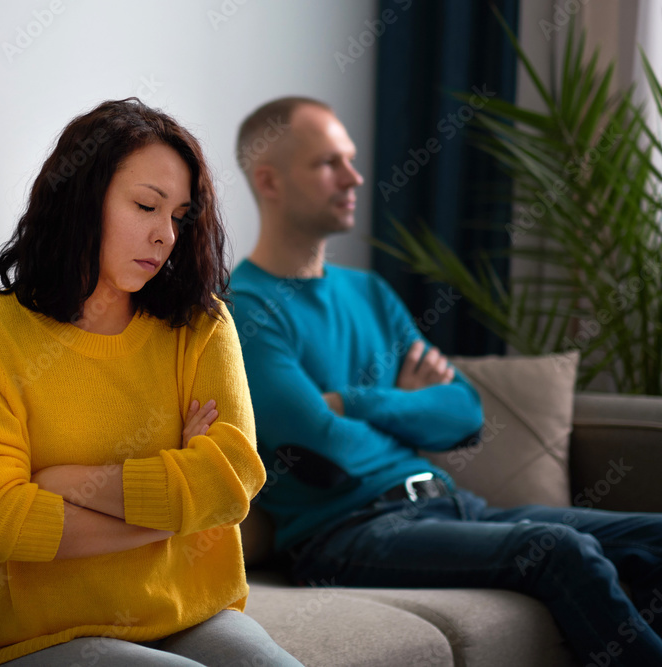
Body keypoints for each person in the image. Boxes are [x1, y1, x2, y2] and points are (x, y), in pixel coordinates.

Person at [227, 96, 662, 666]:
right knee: (558, 550)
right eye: (329, 163)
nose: (355, 177)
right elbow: (319, 446)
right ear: (270, 180)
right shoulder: (247, 309)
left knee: (653, 534)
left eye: (351, 160)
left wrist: (356, 399)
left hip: (452, 504)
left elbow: (465, 414)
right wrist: (407, 405)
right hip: (347, 535)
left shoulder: (370, 294)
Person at [0, 98, 303, 666]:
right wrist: (177, 514)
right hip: (48, 636)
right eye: (145, 206)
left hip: (193, 612)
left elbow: (231, 479)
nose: (166, 236)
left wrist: (63, 481)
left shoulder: (200, 324)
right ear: (80, 200)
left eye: (179, 216)